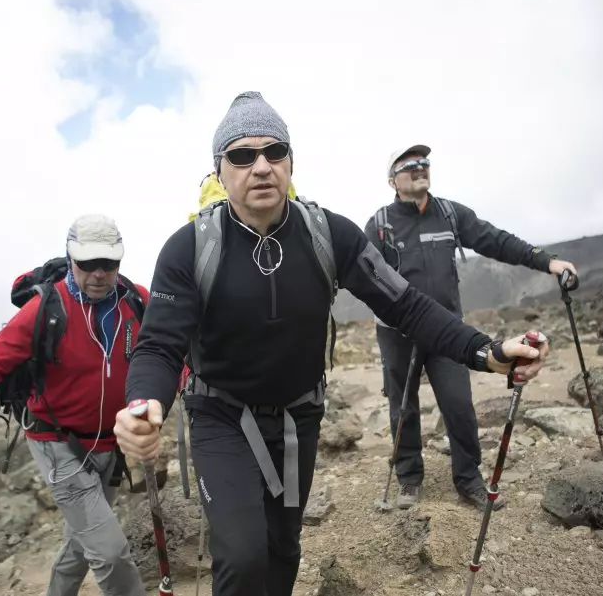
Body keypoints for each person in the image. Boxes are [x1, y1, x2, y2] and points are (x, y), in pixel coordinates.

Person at [112, 91, 550, 596]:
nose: (260, 166)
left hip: (299, 416)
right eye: (241, 155)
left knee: (284, 548)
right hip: (221, 417)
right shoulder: (189, 247)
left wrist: (485, 352)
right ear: (219, 170)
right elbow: (160, 346)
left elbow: (406, 305)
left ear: (291, 162)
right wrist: (144, 402)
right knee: (242, 553)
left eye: (275, 152)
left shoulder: (328, 234)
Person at [0, 213, 151, 596]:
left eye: (108, 264)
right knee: (110, 552)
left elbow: (165, 352)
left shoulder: (137, 302)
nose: (98, 273)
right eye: (87, 263)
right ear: (70, 258)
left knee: (82, 544)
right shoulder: (47, 307)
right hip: (57, 444)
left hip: (110, 445)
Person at [363, 144, 578, 512]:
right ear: (392, 180)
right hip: (397, 333)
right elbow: (367, 278)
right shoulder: (379, 224)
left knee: (459, 406)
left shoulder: (449, 214)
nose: (420, 168)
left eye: (424, 163)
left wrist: (549, 263)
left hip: (447, 330)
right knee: (403, 409)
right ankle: (409, 480)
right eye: (410, 164)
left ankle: (468, 480)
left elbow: (496, 241)